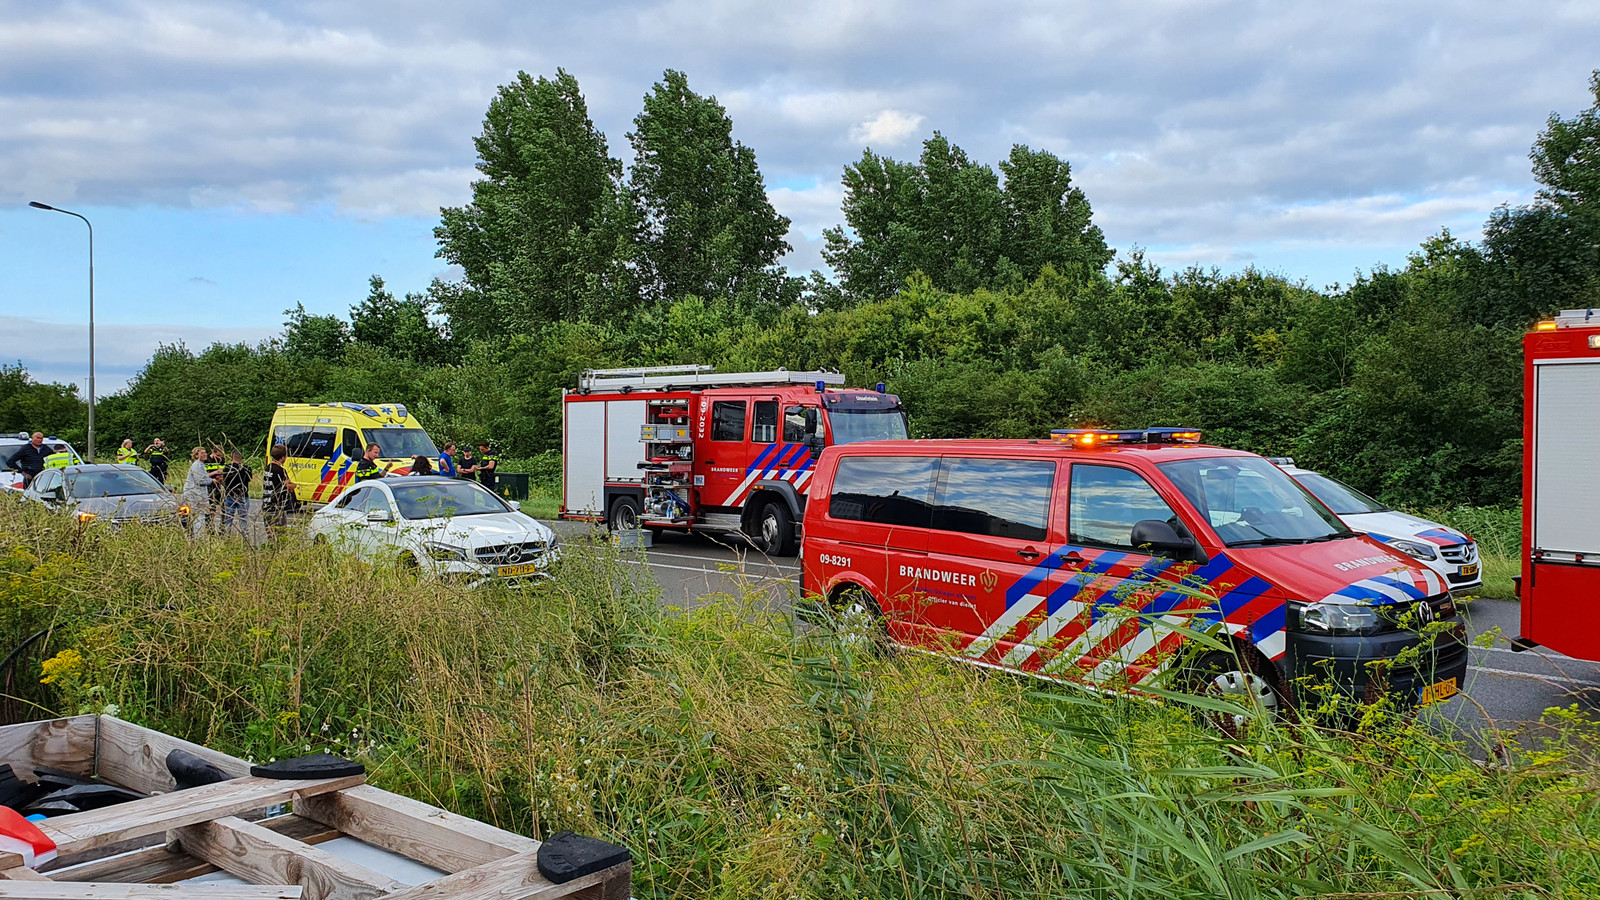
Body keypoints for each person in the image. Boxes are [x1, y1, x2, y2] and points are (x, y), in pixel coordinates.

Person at [262, 444, 295, 537]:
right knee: (280, 536)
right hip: (277, 507)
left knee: (270, 535)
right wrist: (293, 486)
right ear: (283, 457)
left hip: (266, 505)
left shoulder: (268, 468)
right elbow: (288, 486)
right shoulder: (280, 471)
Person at [182, 447, 213, 536]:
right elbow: (200, 481)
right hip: (195, 495)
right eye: (201, 453)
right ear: (196, 455)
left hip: (198, 494)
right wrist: (212, 481)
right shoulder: (197, 465)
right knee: (199, 516)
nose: (204, 454)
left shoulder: (201, 465)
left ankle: (197, 535)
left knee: (199, 516)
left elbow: (204, 476)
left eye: (205, 452)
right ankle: (197, 536)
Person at [222, 450, 252, 537]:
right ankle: (244, 535)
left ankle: (227, 535)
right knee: (243, 518)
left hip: (230, 495)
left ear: (231, 457)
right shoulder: (247, 468)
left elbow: (224, 480)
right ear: (241, 458)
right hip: (243, 495)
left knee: (228, 518)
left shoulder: (227, 468)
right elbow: (250, 479)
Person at [205, 447, 226, 533]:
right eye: (217, 455)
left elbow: (222, 470)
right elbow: (204, 474)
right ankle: (210, 529)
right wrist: (215, 476)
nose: (219, 458)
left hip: (220, 486)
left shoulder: (222, 460)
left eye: (220, 456)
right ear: (213, 452)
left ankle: (222, 527)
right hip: (210, 487)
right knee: (211, 509)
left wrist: (221, 477)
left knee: (224, 507)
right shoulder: (207, 460)